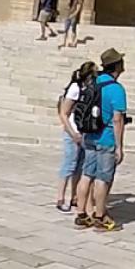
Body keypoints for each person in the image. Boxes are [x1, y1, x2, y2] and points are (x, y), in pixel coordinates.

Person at [73, 47, 127, 232]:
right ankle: (100, 216)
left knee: (86, 175)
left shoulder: (93, 82)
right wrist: (119, 146)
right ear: (117, 65)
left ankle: (81, 215)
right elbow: (118, 119)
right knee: (103, 178)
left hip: (89, 135)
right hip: (106, 138)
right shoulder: (116, 89)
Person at [56, 61, 94, 212]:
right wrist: (72, 133)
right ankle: (60, 197)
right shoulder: (75, 88)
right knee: (69, 164)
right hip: (72, 131)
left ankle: (75, 196)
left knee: (80, 165)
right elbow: (63, 113)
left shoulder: (88, 89)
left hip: (84, 132)